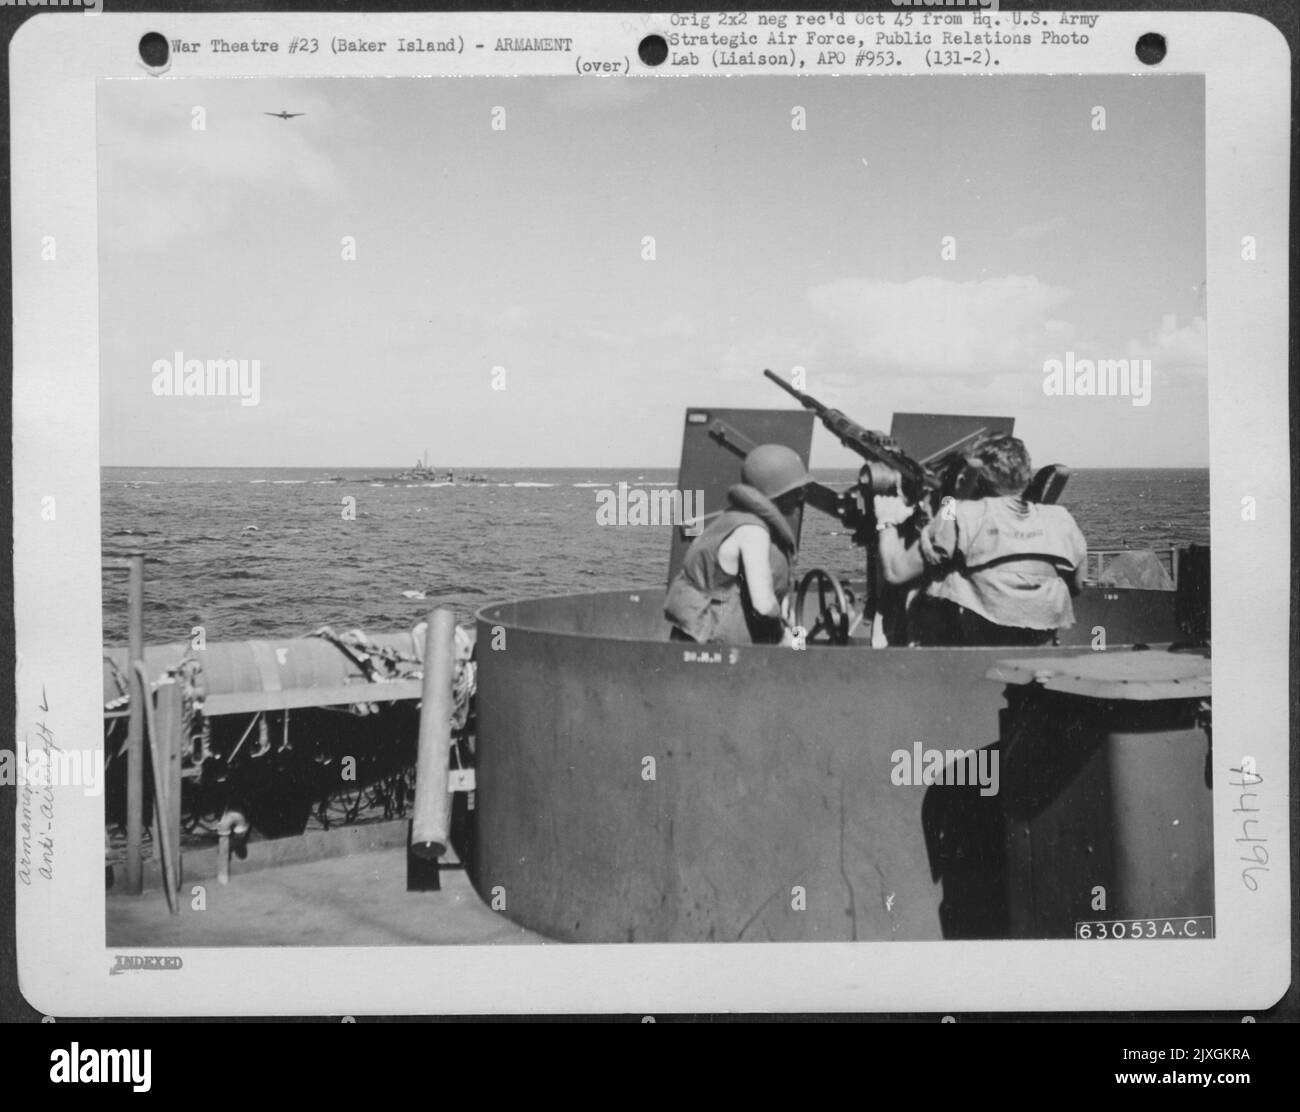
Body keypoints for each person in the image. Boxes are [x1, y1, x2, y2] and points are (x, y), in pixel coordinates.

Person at [872, 434, 1087, 646]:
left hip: (980, 641)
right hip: (1041, 640)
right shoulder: (1060, 518)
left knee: (925, 587)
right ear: (1025, 475)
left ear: (973, 477)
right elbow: (1076, 586)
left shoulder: (959, 514)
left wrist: (886, 521)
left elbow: (895, 572)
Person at [665, 443, 811, 645]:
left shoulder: (732, 519)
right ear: (776, 491)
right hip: (720, 647)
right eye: (796, 491)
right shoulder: (753, 532)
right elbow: (764, 605)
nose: (801, 497)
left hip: (695, 643)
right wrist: (792, 640)